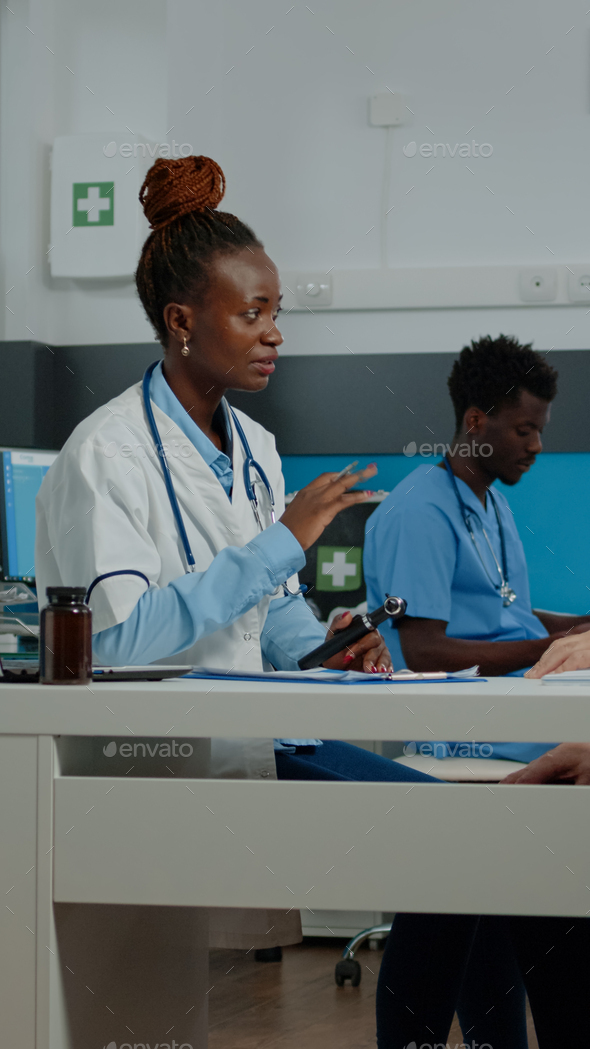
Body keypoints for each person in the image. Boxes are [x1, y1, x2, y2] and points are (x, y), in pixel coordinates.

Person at [364, 335, 590, 764]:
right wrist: (559, 646)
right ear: (475, 422)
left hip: (515, 688)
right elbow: (425, 653)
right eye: (525, 431)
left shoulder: (492, 502)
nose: (536, 446)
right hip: (461, 716)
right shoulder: (419, 510)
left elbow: (508, 612)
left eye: (540, 432)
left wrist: (581, 626)